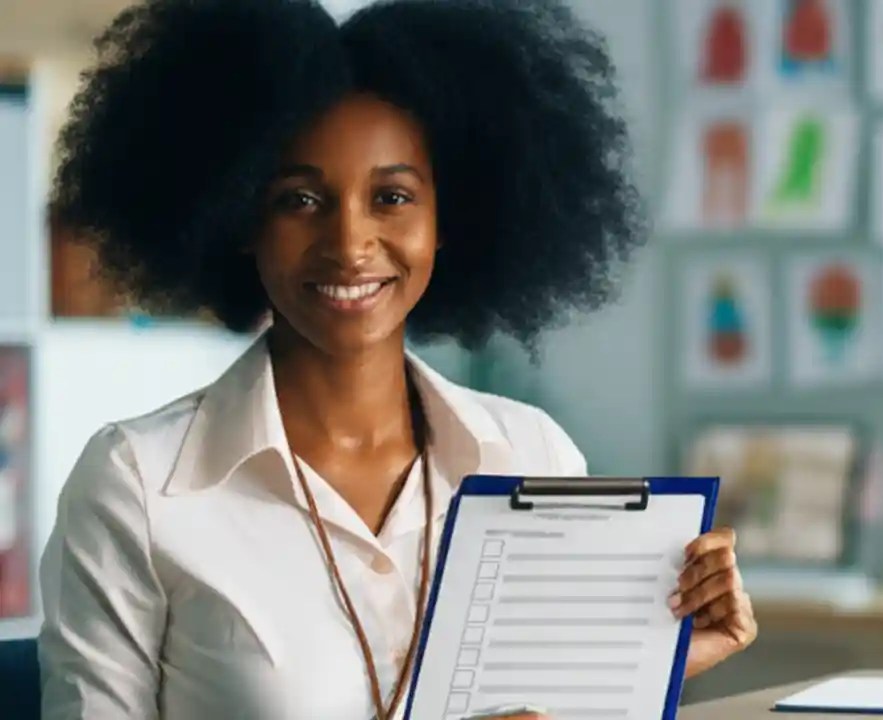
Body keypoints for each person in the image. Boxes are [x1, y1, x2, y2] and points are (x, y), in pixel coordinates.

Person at [36, 1, 758, 718]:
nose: (350, 242)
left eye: (392, 196)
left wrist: (650, 664)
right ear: (237, 218)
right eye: (300, 199)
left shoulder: (532, 455)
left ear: (450, 219)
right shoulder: (136, 488)